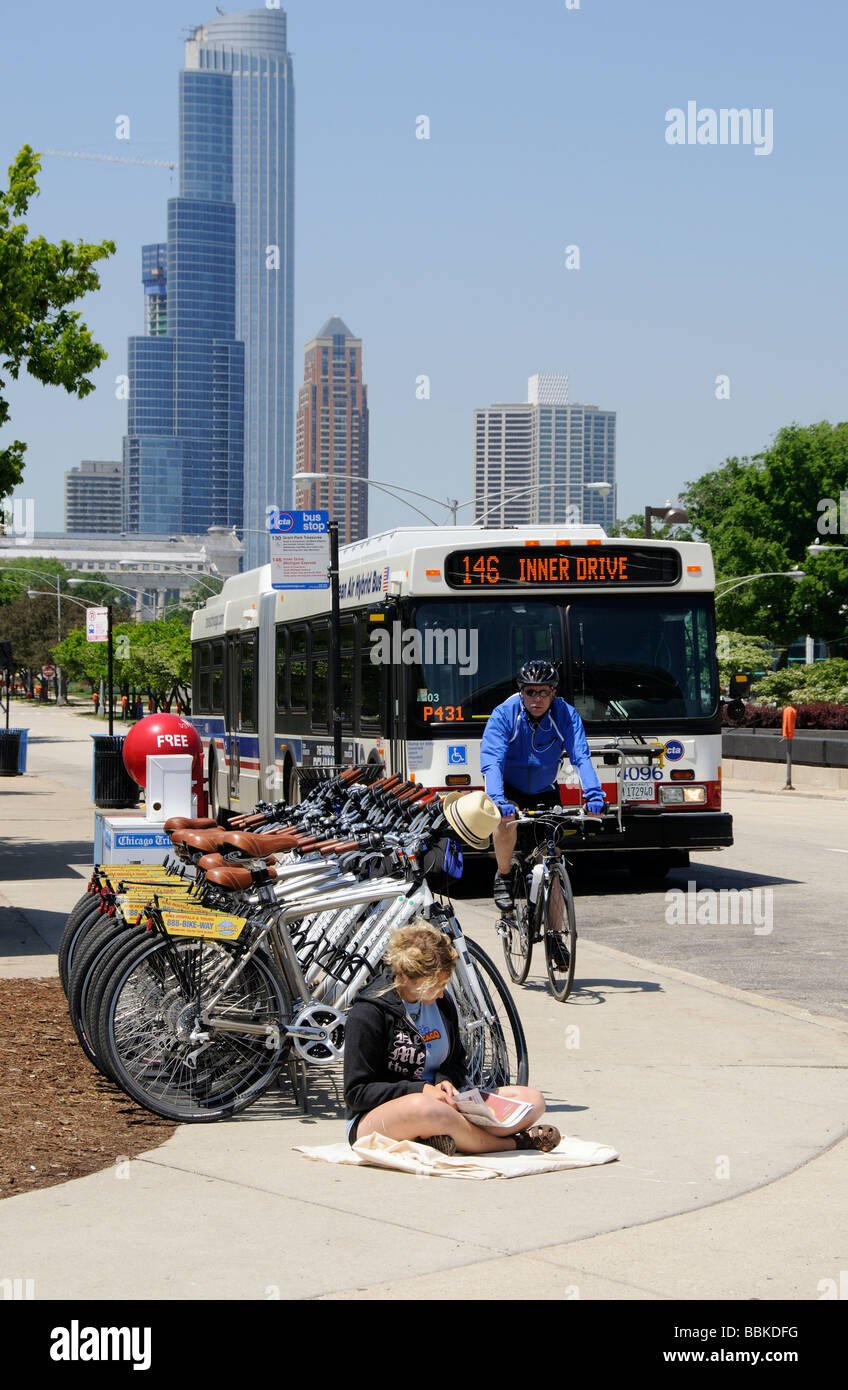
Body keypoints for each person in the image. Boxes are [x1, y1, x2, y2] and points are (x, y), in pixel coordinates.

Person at [343, 922, 560, 1156]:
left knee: (532, 1099)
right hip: (382, 1115)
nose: (441, 993)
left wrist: (444, 1081)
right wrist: (421, 1089)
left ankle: (444, 1137)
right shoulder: (369, 1013)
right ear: (408, 977)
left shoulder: (442, 1002)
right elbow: (357, 1093)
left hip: (444, 1105)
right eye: (435, 986)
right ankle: (511, 1144)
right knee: (426, 1109)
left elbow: (457, 1060)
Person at [480, 659, 605, 911]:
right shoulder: (504, 714)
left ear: (553, 693)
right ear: (521, 691)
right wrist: (498, 799)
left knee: (552, 865)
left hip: (545, 789)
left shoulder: (566, 715)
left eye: (544, 692)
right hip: (508, 788)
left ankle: (557, 938)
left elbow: (581, 757)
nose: (536, 698)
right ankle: (504, 875)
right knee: (505, 821)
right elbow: (492, 761)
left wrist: (594, 795)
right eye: (530, 692)